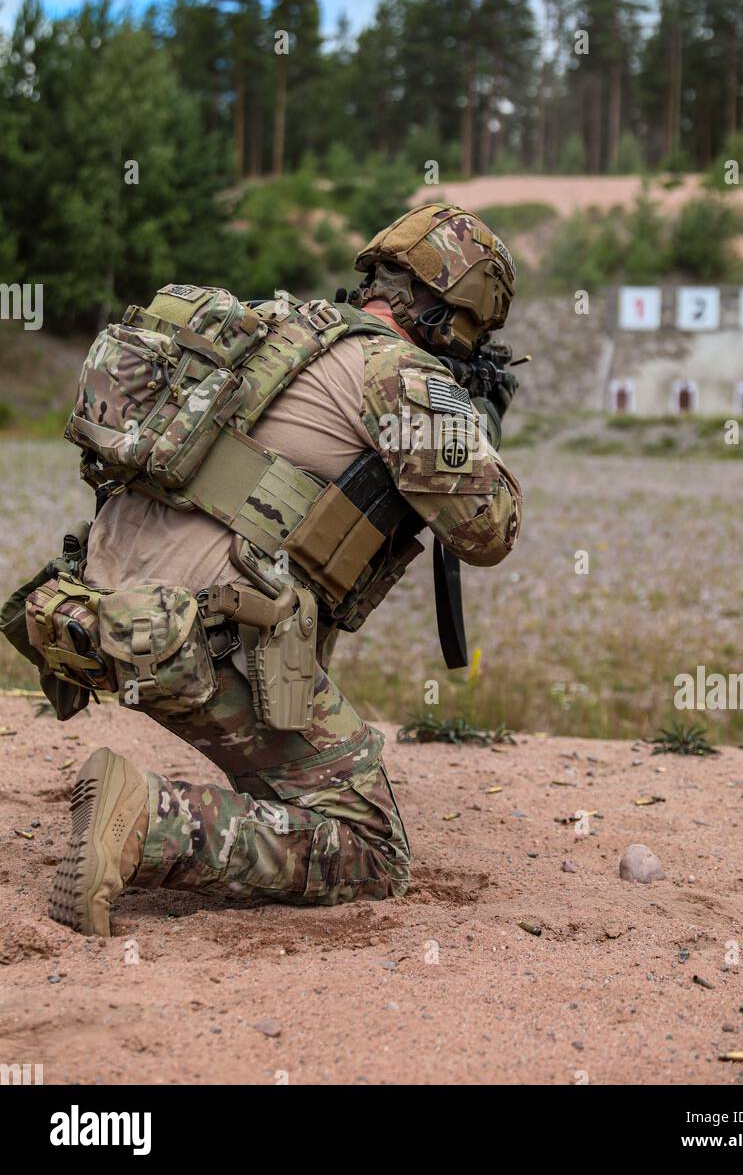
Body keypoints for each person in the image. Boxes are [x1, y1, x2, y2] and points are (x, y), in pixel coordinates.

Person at [41, 203, 523, 936]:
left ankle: (243, 789)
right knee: (371, 849)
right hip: (195, 639)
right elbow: (488, 530)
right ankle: (148, 818)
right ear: (454, 311)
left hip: (89, 614)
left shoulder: (273, 324)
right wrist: (475, 423)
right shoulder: (403, 375)